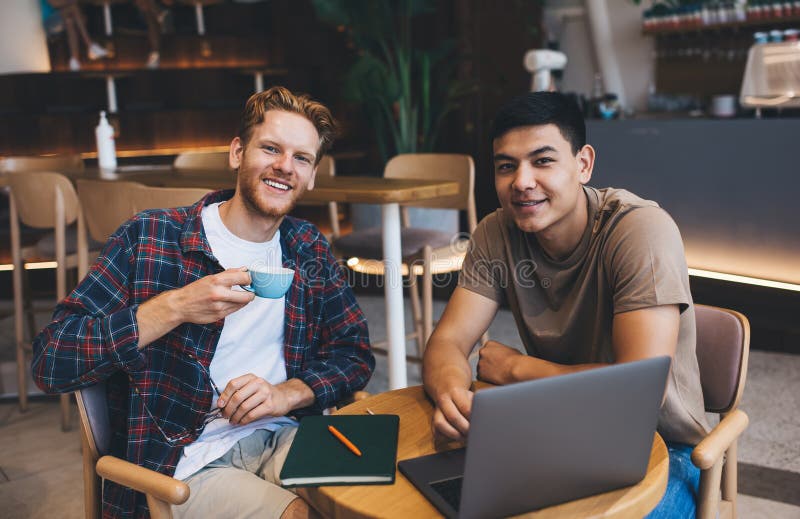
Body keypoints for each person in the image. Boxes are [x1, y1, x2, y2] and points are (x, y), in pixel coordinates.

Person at [32, 86, 375, 519]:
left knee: (363, 504)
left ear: (311, 176)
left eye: (301, 158)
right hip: (185, 461)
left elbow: (354, 351)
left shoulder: (307, 247)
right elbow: (51, 360)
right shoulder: (152, 238)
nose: (284, 167)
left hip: (287, 433)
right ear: (237, 153)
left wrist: (288, 393)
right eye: (270, 148)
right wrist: (173, 307)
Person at [422, 91, 710, 517]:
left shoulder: (639, 230)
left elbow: (635, 393)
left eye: (542, 161)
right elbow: (448, 340)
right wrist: (451, 395)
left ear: (583, 164)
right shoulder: (495, 232)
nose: (521, 182)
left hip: (661, 447)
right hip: (554, 428)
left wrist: (518, 369)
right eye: (506, 166)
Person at [48, 0, 109, 71]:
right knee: (73, 8)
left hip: (59, 16)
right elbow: (55, 4)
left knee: (69, 21)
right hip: (49, 21)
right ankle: (90, 45)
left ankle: (74, 60)